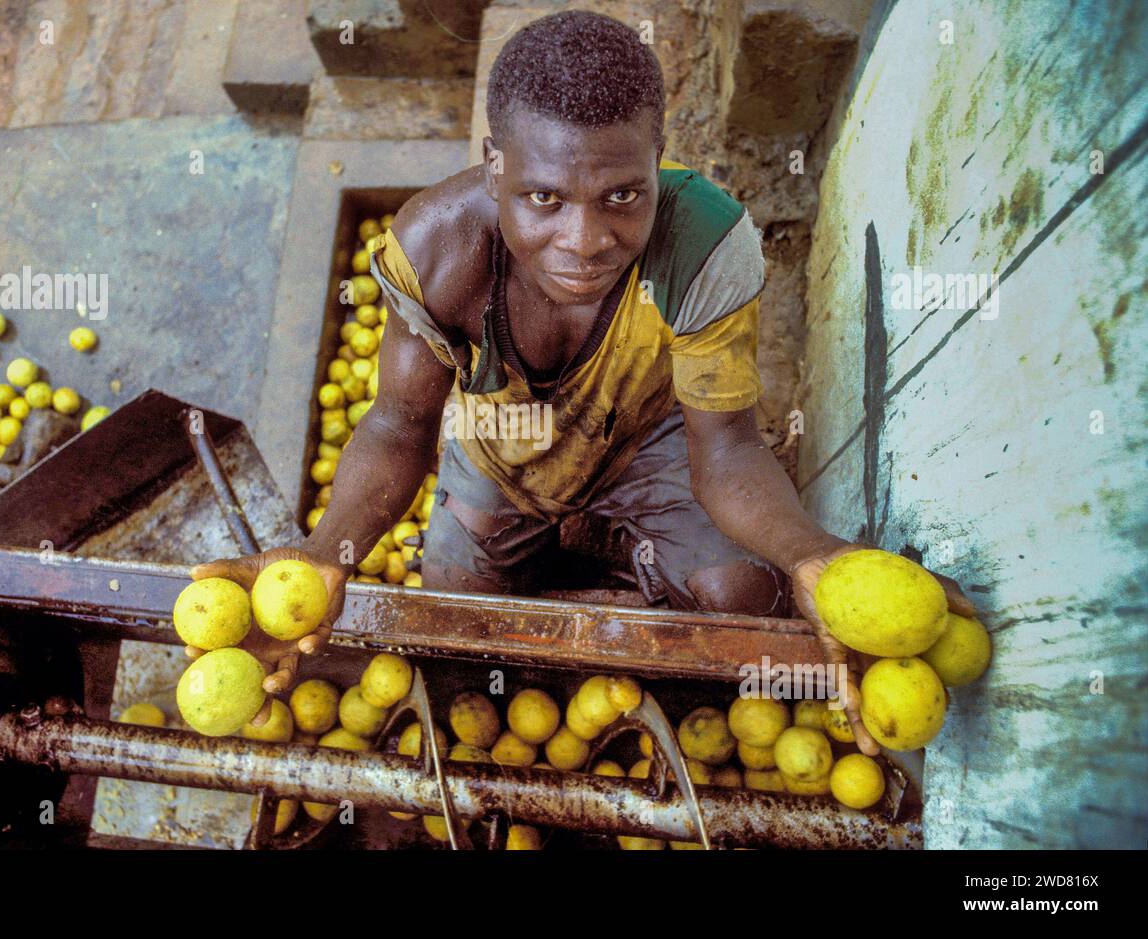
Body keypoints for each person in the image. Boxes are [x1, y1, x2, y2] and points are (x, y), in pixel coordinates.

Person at [192, 11, 974, 751]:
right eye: (543, 198)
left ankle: (616, 546)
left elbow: (729, 447)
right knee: (457, 634)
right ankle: (571, 544)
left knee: (748, 597)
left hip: (647, 442)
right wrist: (330, 550)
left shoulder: (704, 245)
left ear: (656, 164)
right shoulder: (435, 252)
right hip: (502, 457)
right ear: (495, 166)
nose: (586, 241)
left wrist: (815, 558)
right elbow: (399, 427)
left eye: (622, 197)